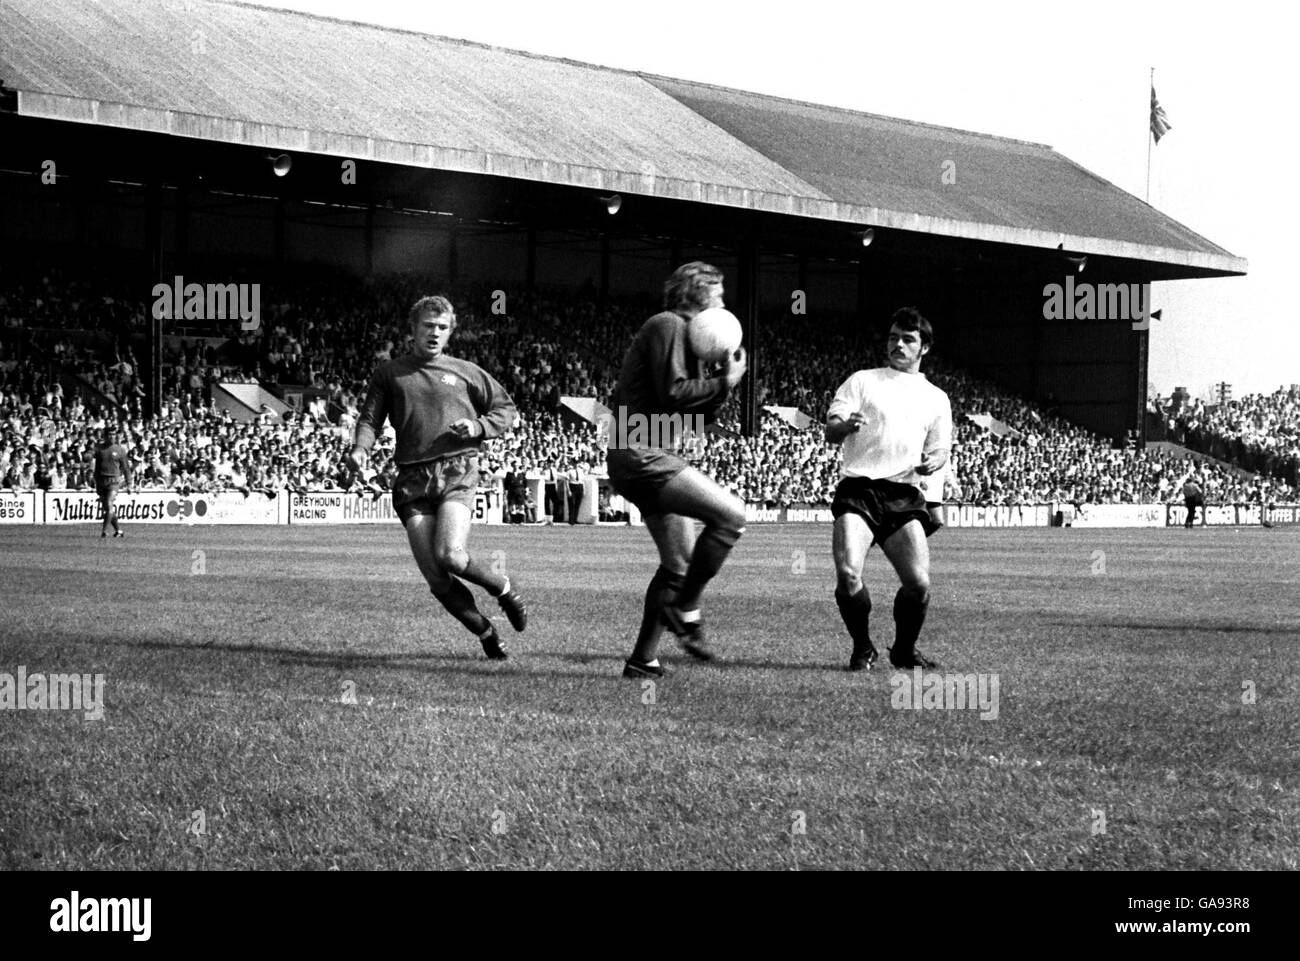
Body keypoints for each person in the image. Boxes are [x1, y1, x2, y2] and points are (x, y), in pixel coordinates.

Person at [346, 295, 527, 660]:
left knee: (450, 556)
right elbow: (369, 419)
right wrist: (360, 449)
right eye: (428, 325)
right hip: (412, 480)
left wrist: (478, 425)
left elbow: (506, 409)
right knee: (436, 576)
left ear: (450, 332)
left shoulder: (466, 371)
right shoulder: (390, 372)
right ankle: (486, 633)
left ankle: (503, 587)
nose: (435, 333)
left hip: (456, 469)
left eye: (442, 327)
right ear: (412, 329)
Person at [607, 262, 748, 679]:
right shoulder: (667, 324)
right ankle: (686, 606)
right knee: (732, 516)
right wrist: (723, 384)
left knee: (677, 563)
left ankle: (643, 661)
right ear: (694, 294)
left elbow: (699, 413)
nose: (724, 304)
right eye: (718, 294)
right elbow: (673, 392)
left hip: (651, 449)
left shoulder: (693, 342)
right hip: (640, 449)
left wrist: (726, 380)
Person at [825, 307, 953, 671]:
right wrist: (845, 424)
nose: (898, 344)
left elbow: (941, 448)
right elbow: (830, 428)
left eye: (908, 339)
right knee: (849, 573)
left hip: (903, 493)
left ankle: (903, 650)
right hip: (859, 490)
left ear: (924, 348)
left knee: (919, 584)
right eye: (893, 337)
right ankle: (862, 647)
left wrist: (936, 462)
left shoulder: (936, 397)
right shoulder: (863, 381)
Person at [92, 426, 133, 539]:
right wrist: (96, 482)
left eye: (114, 434)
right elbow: (97, 467)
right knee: (108, 509)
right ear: (105, 436)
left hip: (113, 482)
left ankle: (104, 531)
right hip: (102, 482)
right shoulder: (99, 449)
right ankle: (118, 530)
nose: (112, 436)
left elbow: (126, 468)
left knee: (109, 505)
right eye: (110, 434)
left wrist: (129, 484)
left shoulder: (120, 450)